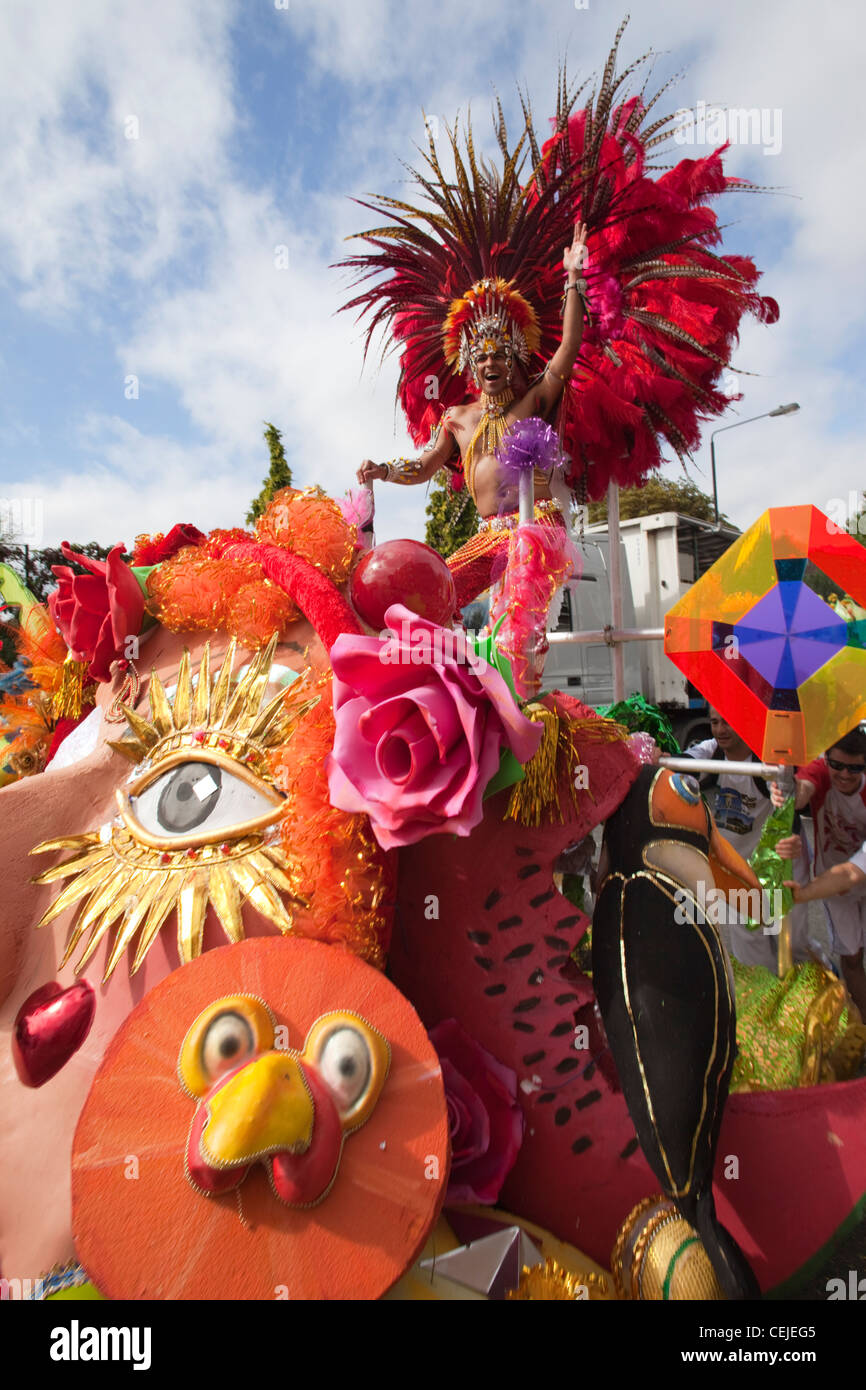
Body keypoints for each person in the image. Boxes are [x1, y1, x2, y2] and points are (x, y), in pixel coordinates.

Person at [357, 224, 589, 607]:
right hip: (489, 536)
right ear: (470, 364)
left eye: (499, 354)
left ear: (512, 358)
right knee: (437, 596)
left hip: (537, 526)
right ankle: (455, 665)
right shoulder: (457, 418)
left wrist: (573, 279)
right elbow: (425, 465)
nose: (490, 363)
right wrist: (382, 470)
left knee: (519, 621)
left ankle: (520, 662)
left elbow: (569, 346)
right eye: (481, 357)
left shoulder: (533, 400)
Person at [685, 708, 808, 970]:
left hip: (780, 865)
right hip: (737, 869)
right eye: (715, 722)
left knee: (793, 946)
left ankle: (820, 983)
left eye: (728, 722)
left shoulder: (767, 760)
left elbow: (791, 805)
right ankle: (764, 1006)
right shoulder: (711, 752)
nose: (720, 730)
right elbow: (680, 765)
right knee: (752, 956)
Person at [775, 727, 866, 1017]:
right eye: (836, 764)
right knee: (852, 959)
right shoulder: (822, 771)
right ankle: (862, 1030)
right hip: (835, 884)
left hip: (851, 872)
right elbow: (804, 789)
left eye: (855, 768)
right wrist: (787, 793)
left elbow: (853, 872)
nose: (844, 774)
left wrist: (803, 893)